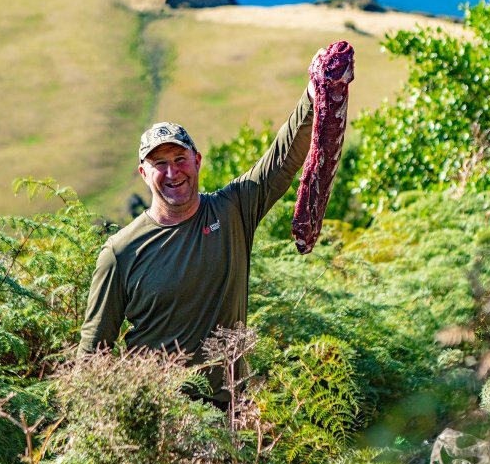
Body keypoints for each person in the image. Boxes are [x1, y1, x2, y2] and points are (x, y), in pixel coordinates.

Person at [78, 53, 320, 407]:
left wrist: (315, 94)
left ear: (197, 161)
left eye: (180, 159)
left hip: (232, 411)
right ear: (143, 173)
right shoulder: (120, 253)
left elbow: (282, 159)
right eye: (159, 164)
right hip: (162, 418)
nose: (172, 172)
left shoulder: (232, 210)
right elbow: (92, 355)